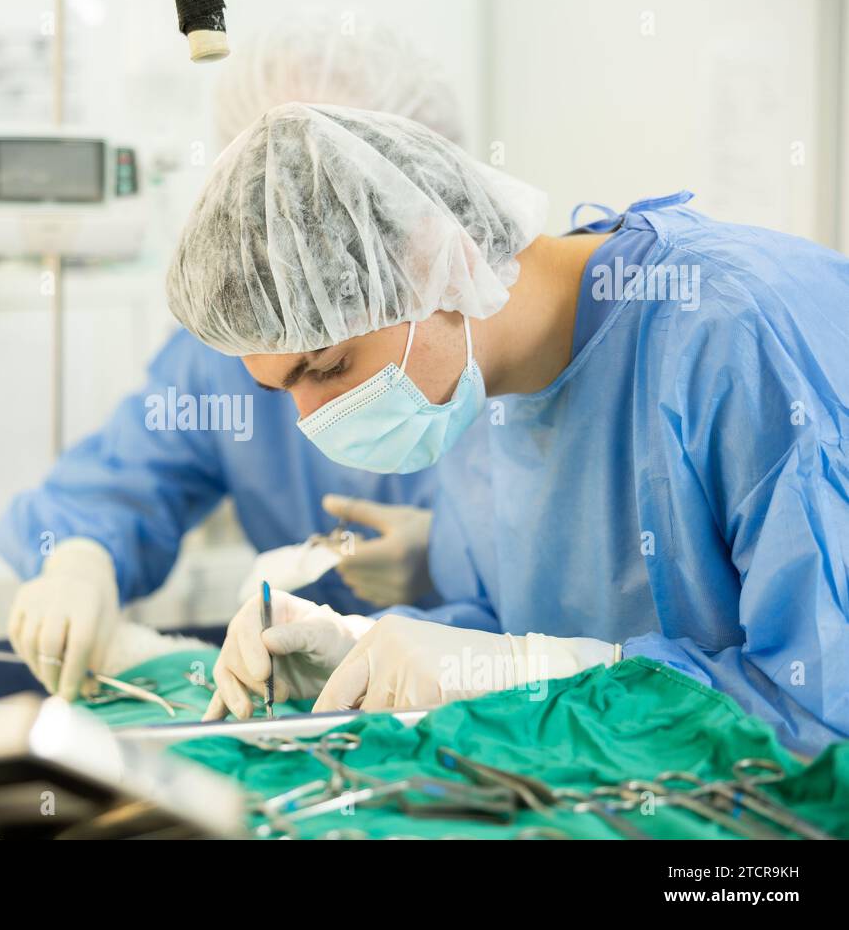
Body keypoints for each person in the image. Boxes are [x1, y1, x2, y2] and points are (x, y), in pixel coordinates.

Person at [166, 102, 849, 755]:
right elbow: (525, 630)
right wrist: (362, 650)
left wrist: (530, 671)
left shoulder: (733, 331)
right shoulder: (471, 391)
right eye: (281, 388)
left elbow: (821, 713)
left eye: (330, 366)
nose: (311, 420)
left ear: (434, 260)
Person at [0, 19, 464, 701]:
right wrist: (79, 558)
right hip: (314, 692)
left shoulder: (472, 337)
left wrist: (448, 560)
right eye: (274, 177)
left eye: (329, 365)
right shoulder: (229, 353)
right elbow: (130, 472)